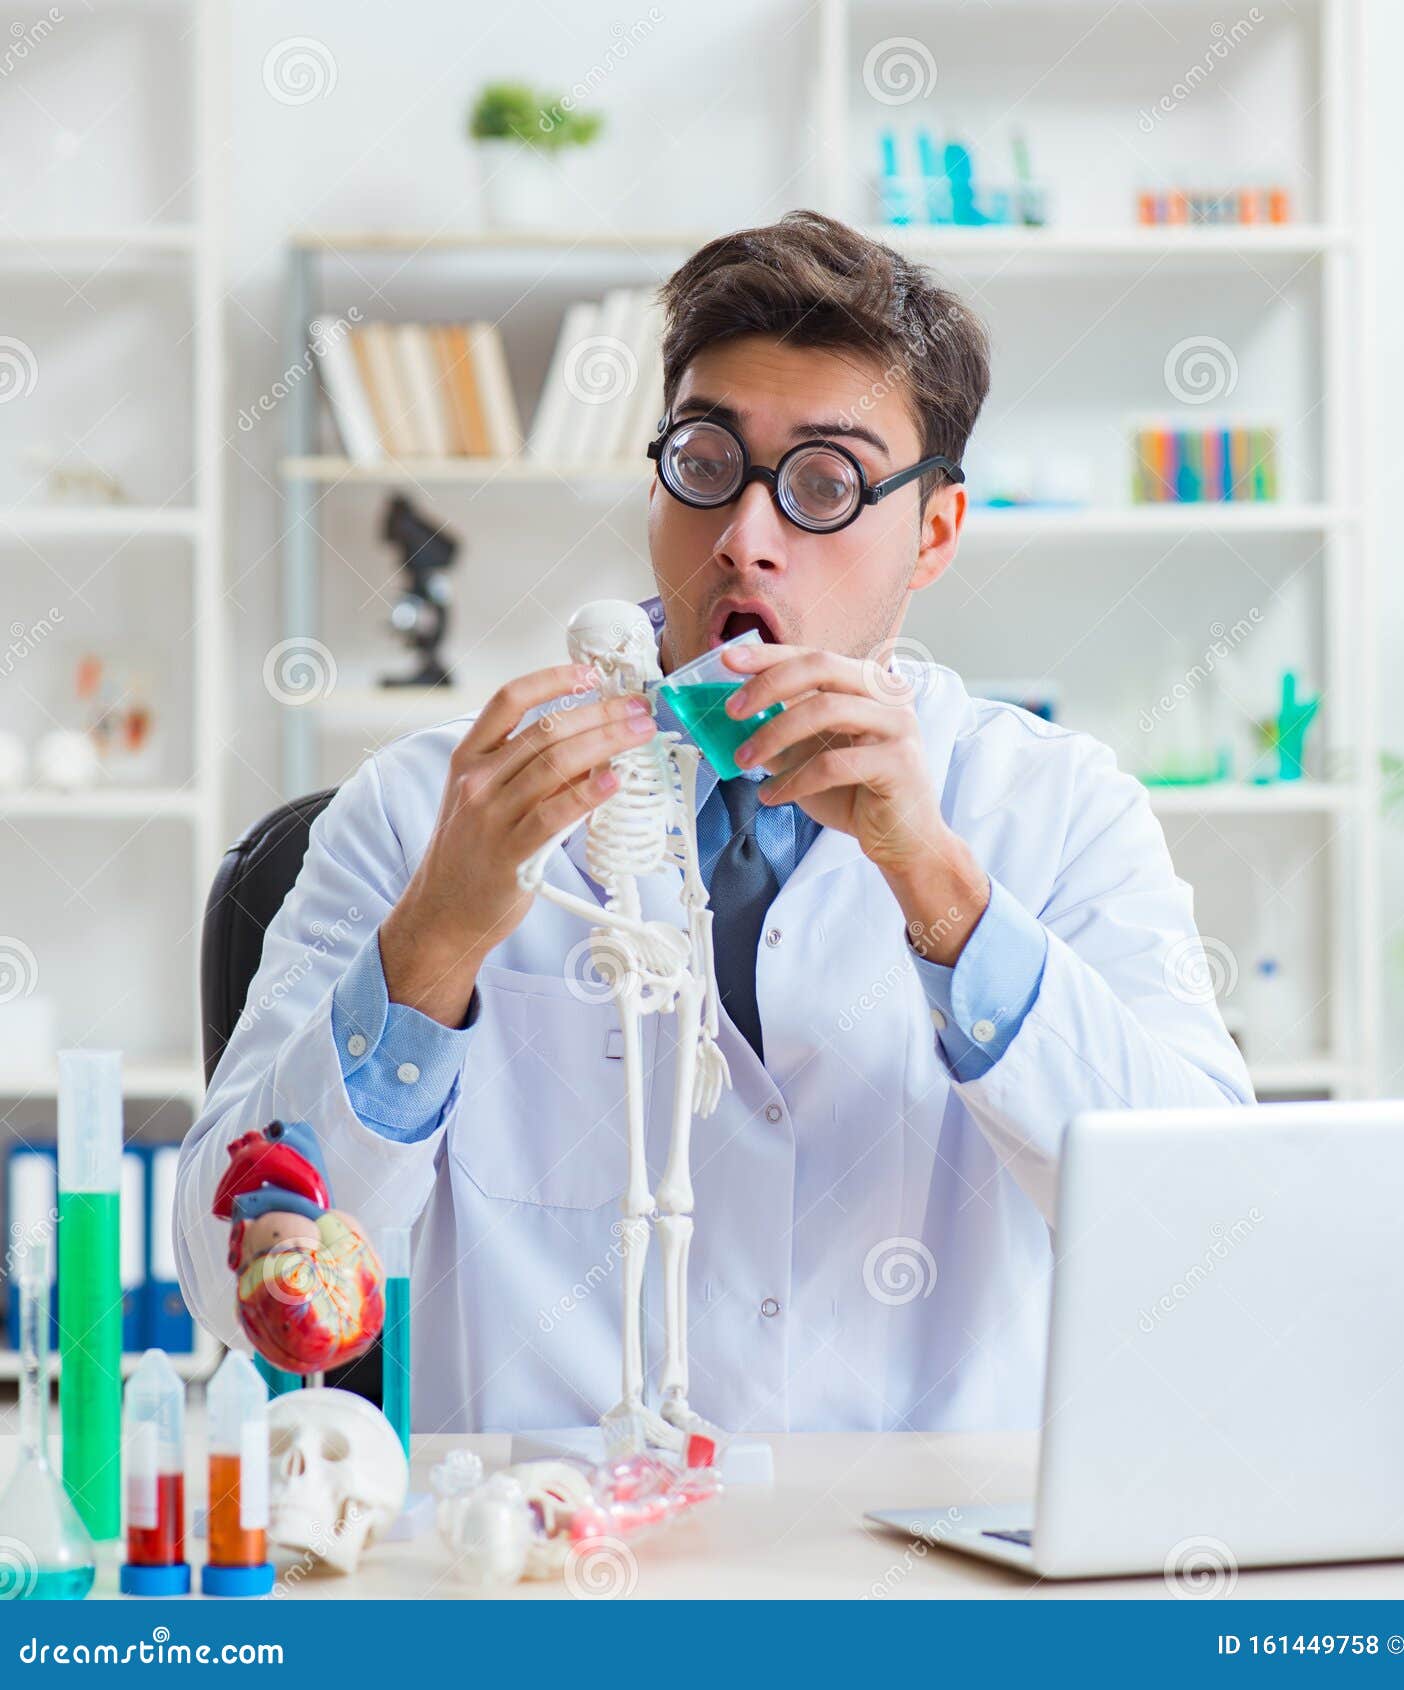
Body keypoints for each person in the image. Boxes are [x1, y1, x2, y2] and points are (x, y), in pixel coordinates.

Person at [178, 210, 1252, 1436]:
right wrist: (430, 946)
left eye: (825, 484)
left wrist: (946, 897)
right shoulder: (426, 809)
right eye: (705, 461)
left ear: (935, 531)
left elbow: (1203, 1232)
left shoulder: (1054, 812)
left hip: (923, 1578)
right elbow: (227, 1287)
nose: (745, 539)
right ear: (655, 483)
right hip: (542, 1565)